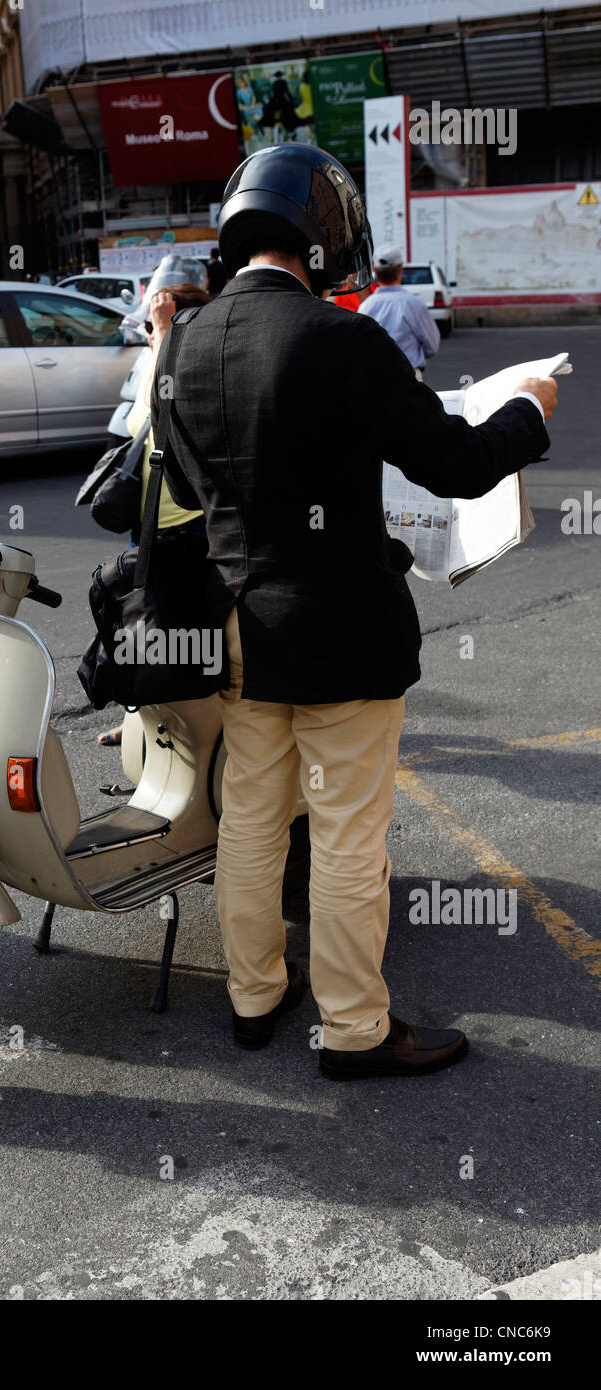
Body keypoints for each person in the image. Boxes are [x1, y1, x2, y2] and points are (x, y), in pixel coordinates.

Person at [149, 143, 557, 1080]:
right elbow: (453, 463)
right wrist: (528, 411)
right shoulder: (341, 338)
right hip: (342, 636)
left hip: (239, 632)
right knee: (342, 835)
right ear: (321, 233)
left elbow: (180, 480)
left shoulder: (186, 345)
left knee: (252, 821)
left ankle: (254, 998)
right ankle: (355, 1029)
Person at [97, 281, 210, 747]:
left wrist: (164, 331)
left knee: (186, 628)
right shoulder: (155, 353)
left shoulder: (192, 356)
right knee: (143, 623)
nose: (148, 331)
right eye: (147, 324)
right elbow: (132, 421)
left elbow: (155, 403)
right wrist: (157, 337)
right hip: (149, 517)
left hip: (188, 519)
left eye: (155, 323)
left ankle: (199, 723)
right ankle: (140, 717)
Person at [359, 246, 439, 379]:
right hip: (409, 379)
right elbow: (432, 347)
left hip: (376, 380)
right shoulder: (414, 304)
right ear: (401, 269)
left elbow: (361, 350)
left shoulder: (366, 307)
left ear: (375, 271)